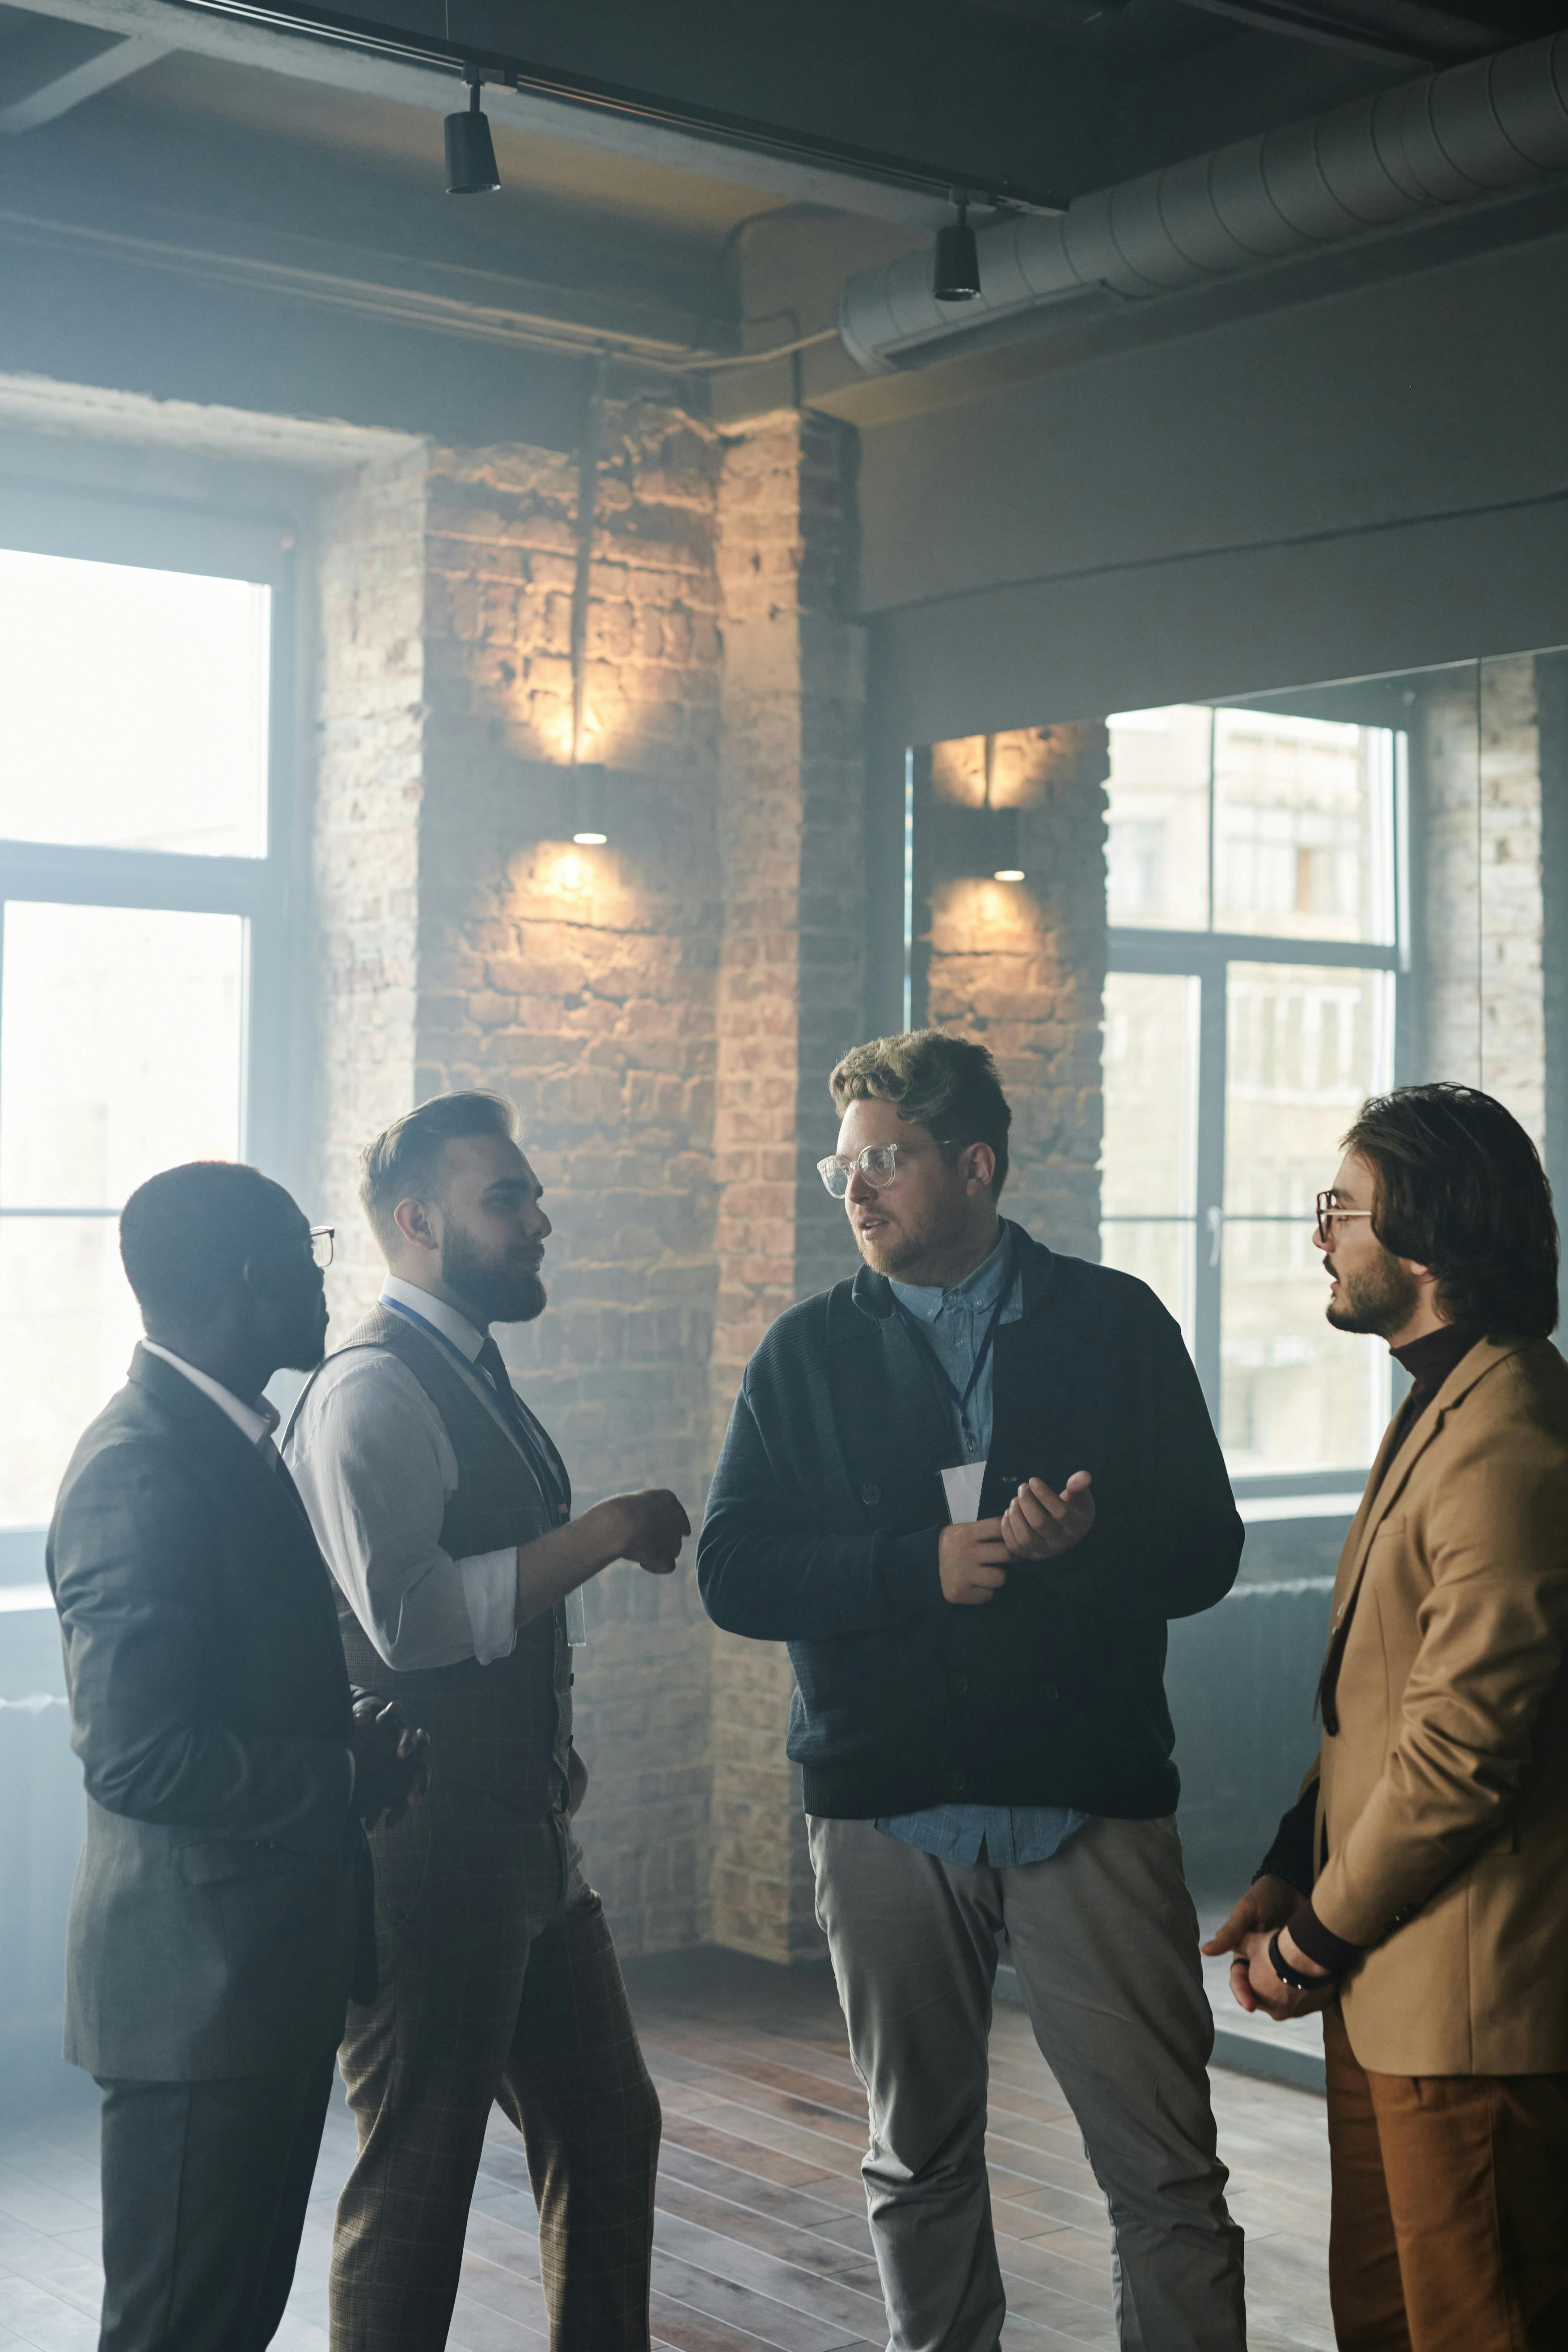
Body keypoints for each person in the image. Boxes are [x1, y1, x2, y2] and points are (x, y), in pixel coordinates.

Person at [697, 1029, 1247, 2352]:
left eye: (883, 1159)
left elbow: (1208, 1550)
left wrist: (1087, 1547)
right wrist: (912, 1567)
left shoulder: (1115, 1321)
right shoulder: (803, 1351)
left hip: (1089, 1799)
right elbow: (733, 1570)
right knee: (914, 2162)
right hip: (886, 1803)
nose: (854, 1189)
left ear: (976, 1165)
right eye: (842, 1165)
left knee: (1165, 2171)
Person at [284, 1087, 687, 2352]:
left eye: (532, 1193)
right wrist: (608, 1533)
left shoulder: (467, 1364)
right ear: (417, 1221)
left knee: (610, 2123)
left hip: (520, 1843)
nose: (538, 1219)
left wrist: (538, 1737)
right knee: (416, 2186)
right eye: (503, 1198)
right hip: (422, 1851)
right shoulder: (370, 1392)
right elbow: (408, 1622)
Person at [1205, 1083, 1568, 2352]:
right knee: (1384, 2319)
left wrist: (1309, 1940)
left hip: (1465, 2009)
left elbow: (1458, 1753)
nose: (1321, 1237)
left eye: (1340, 1210)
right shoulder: (1441, 1394)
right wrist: (1282, 1871)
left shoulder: (1510, 1429)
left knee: (1474, 2326)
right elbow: (1375, 1698)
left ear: (1425, 1240)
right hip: (1393, 1989)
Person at [48, 1160, 424, 2352]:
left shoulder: (226, 1440)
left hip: (254, 1974)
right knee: (177, 2328)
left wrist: (340, 1742)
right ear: (253, 1281)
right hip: (195, 1995)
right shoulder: (140, 1466)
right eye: (309, 1257)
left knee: (225, 2322)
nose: (326, 1281)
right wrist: (342, 1780)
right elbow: (138, 1758)